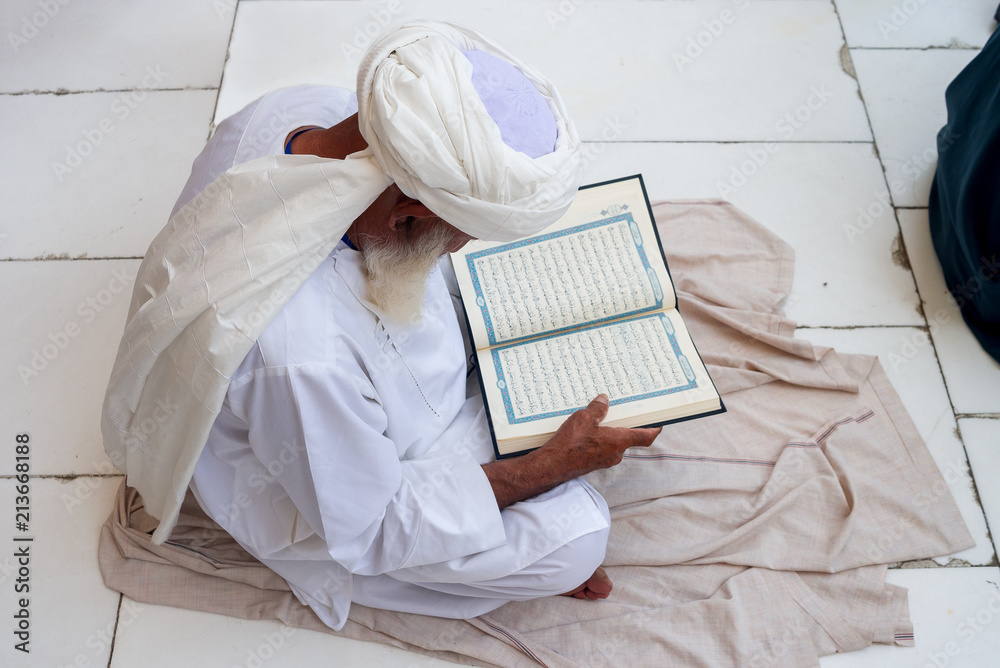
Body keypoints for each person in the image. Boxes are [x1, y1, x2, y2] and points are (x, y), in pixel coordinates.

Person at [102, 22, 659, 632]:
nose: (460, 247)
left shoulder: (304, 111)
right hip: (334, 471)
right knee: (574, 542)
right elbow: (373, 524)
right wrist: (550, 467)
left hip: (358, 381)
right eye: (460, 233)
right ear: (407, 217)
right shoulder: (302, 355)